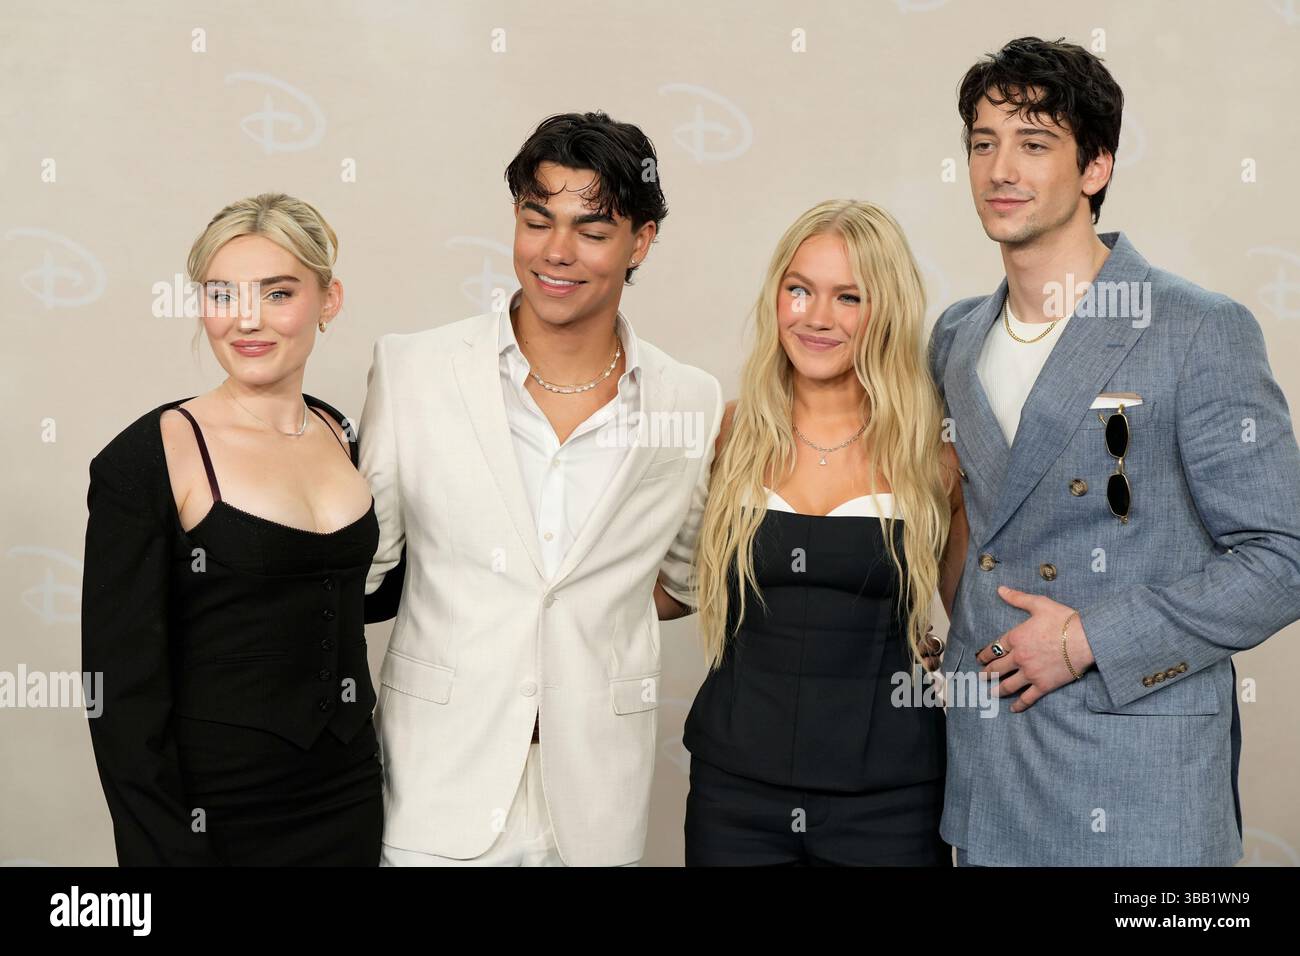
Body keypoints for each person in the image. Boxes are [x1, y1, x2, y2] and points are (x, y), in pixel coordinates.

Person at [930, 37, 1300, 866]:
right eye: (983, 144)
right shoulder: (955, 336)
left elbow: (1286, 556)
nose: (1000, 169)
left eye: (1034, 143)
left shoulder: (1196, 329)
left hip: (1140, 784)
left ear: (1096, 166)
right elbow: (962, 523)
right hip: (989, 772)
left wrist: (1092, 638)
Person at [359, 111, 724, 866]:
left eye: (592, 231)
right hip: (434, 785)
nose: (557, 253)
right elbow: (369, 568)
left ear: (640, 243)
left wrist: (587, 615)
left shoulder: (688, 399)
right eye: (537, 221)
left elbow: (683, 576)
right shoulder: (413, 371)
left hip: (595, 798)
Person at [81, 193, 384, 865]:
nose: (247, 320)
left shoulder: (348, 434)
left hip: (350, 794)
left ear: (327, 300)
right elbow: (122, 701)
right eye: (222, 295)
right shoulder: (149, 458)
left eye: (278, 293)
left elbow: (371, 593)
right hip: (217, 814)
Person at [677, 200, 965, 866]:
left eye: (848, 297)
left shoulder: (936, 451)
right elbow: (663, 580)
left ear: (884, 309)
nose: (815, 317)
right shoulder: (729, 433)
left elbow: (978, 622)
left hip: (892, 800)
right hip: (733, 795)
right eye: (799, 289)